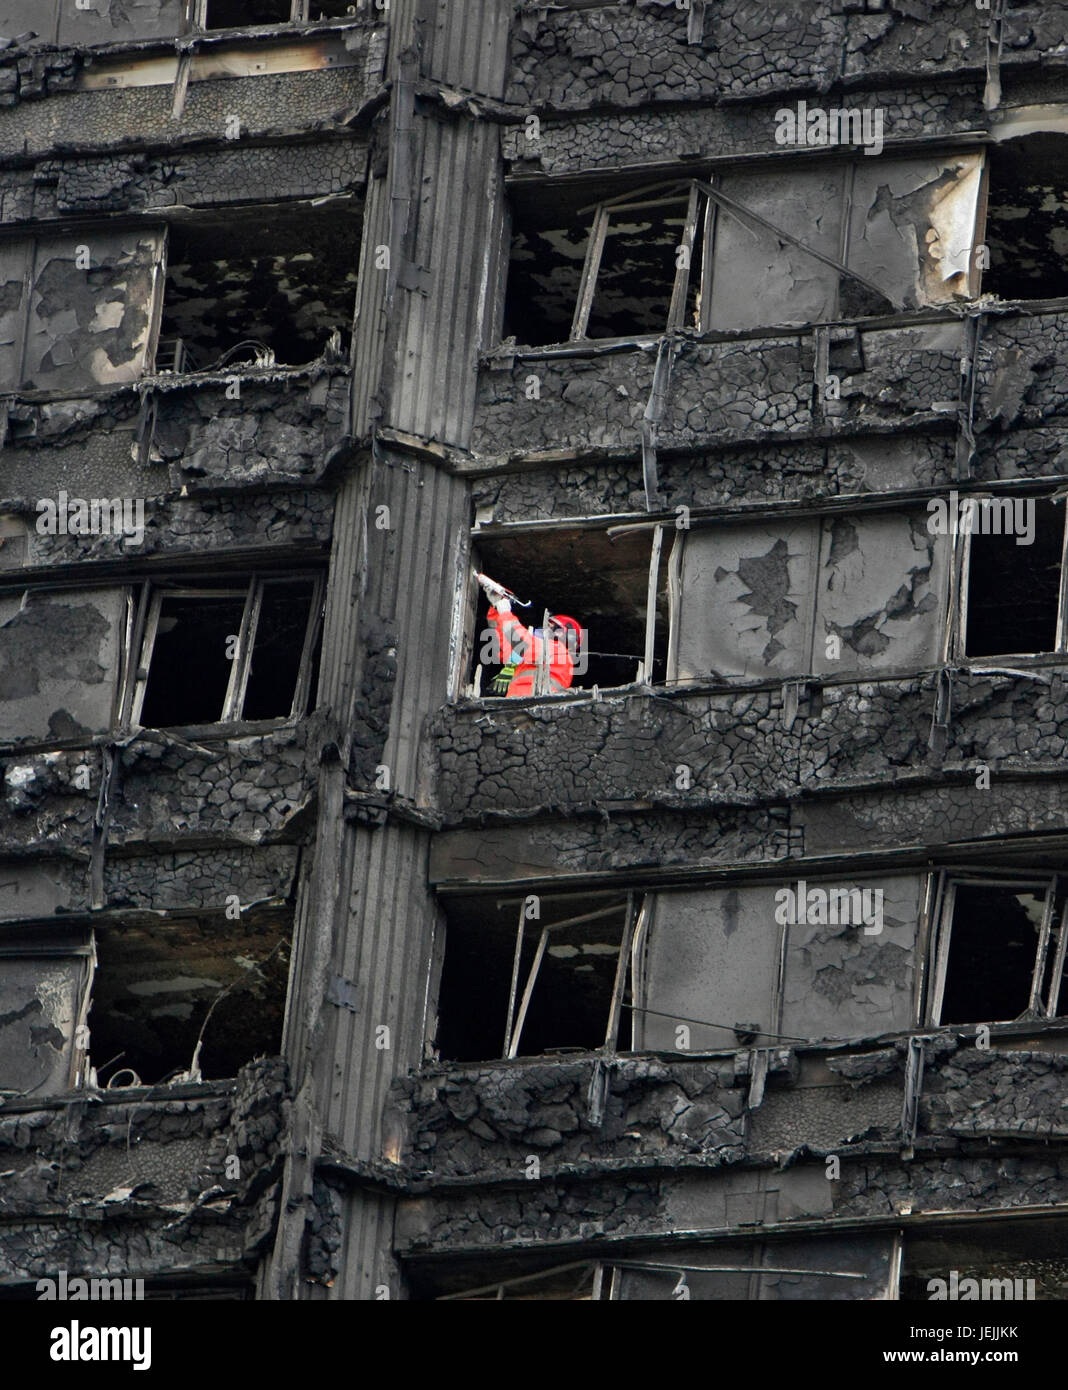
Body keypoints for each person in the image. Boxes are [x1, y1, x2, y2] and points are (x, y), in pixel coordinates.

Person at [477, 573, 582, 697]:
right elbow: (504, 646)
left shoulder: (559, 652)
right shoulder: (534, 658)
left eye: (552, 626)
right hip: (519, 704)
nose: (546, 628)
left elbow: (520, 644)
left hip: (533, 704)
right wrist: (497, 609)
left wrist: (505, 612)